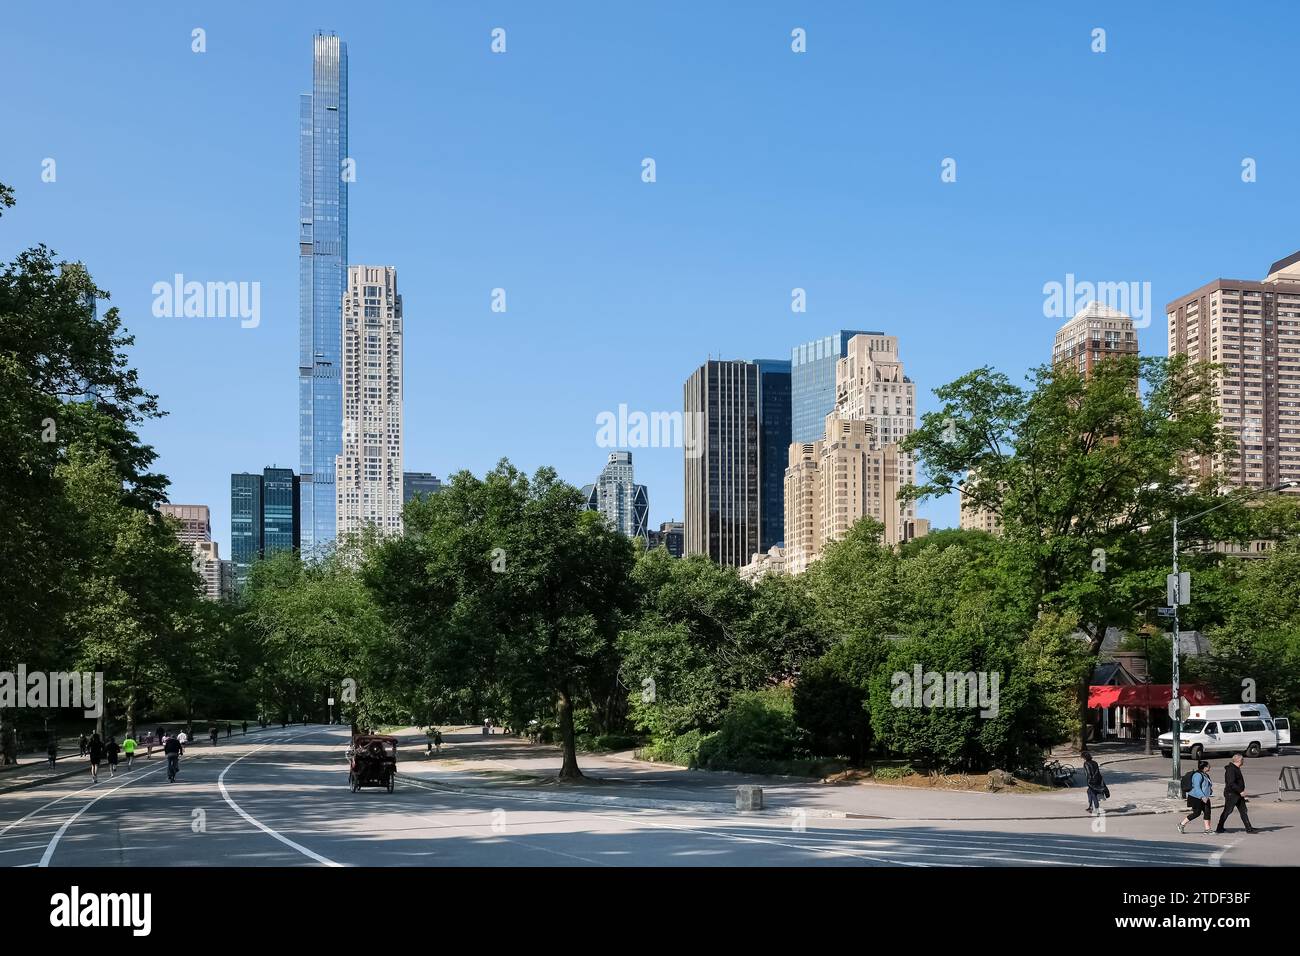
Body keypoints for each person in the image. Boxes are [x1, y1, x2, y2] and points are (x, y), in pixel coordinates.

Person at [1215, 754, 1259, 834]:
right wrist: (1240, 791)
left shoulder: (1236, 768)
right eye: (1242, 760)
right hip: (1231, 794)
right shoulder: (1231, 769)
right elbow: (1231, 783)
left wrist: (1241, 792)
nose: (1243, 761)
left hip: (1238, 794)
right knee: (1227, 811)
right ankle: (1219, 827)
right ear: (1239, 760)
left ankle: (1249, 828)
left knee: (1243, 811)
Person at [1179, 760, 1214, 834]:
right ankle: (1181, 824)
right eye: (1208, 766)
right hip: (1196, 797)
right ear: (1204, 767)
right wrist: (1202, 796)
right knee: (1197, 813)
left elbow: (1206, 785)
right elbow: (1197, 787)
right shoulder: (1197, 775)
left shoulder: (1205, 775)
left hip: (1205, 797)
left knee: (1207, 812)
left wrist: (1209, 791)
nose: (1210, 767)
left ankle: (1207, 829)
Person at [1082, 750, 1107, 814]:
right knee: (1089, 792)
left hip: (1091, 781)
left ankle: (1096, 809)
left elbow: (1088, 774)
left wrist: (1089, 782)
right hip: (1098, 779)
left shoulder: (1086, 764)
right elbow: (1097, 772)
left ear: (1084, 758)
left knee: (1093, 794)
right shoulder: (1095, 762)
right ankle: (1090, 806)